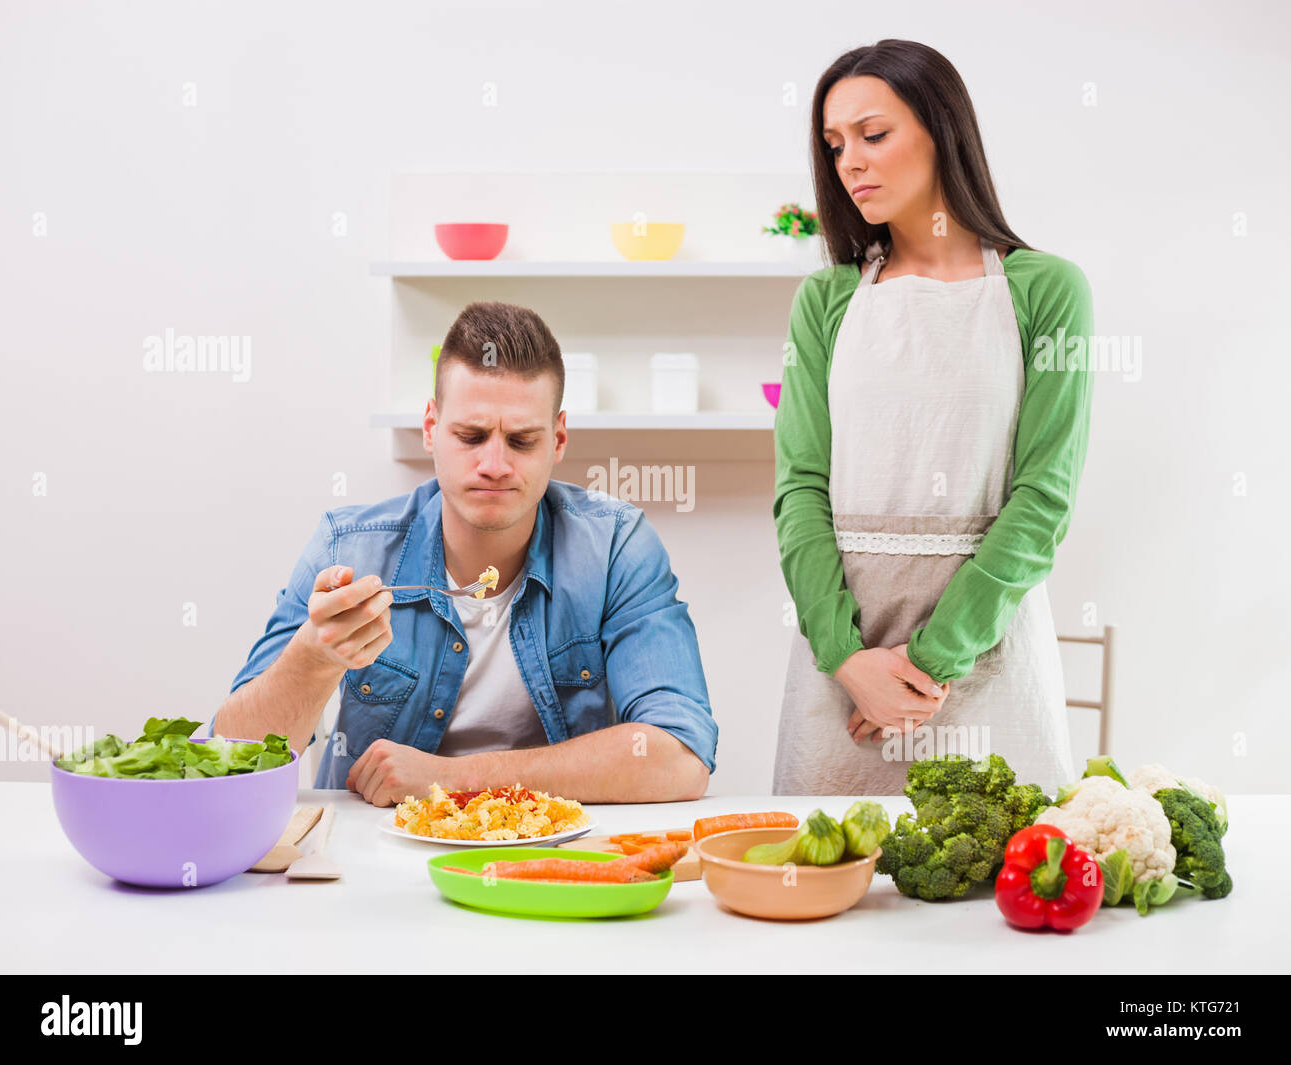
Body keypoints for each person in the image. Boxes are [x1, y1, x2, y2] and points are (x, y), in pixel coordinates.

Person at [211, 301, 716, 805]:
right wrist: (312, 659)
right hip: (374, 854)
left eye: (521, 441)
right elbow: (229, 760)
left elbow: (680, 756)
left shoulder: (614, 548)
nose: (493, 464)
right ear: (431, 427)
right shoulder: (348, 547)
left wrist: (456, 778)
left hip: (552, 857)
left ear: (558, 439)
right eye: (470, 436)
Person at [772, 39, 1094, 796]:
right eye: (835, 144)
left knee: (999, 898)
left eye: (873, 134)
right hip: (842, 669)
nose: (850, 161)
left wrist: (927, 665)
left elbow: (1044, 496)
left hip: (986, 666)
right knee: (827, 890)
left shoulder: (1046, 290)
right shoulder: (825, 301)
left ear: (942, 130)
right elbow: (799, 489)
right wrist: (849, 660)